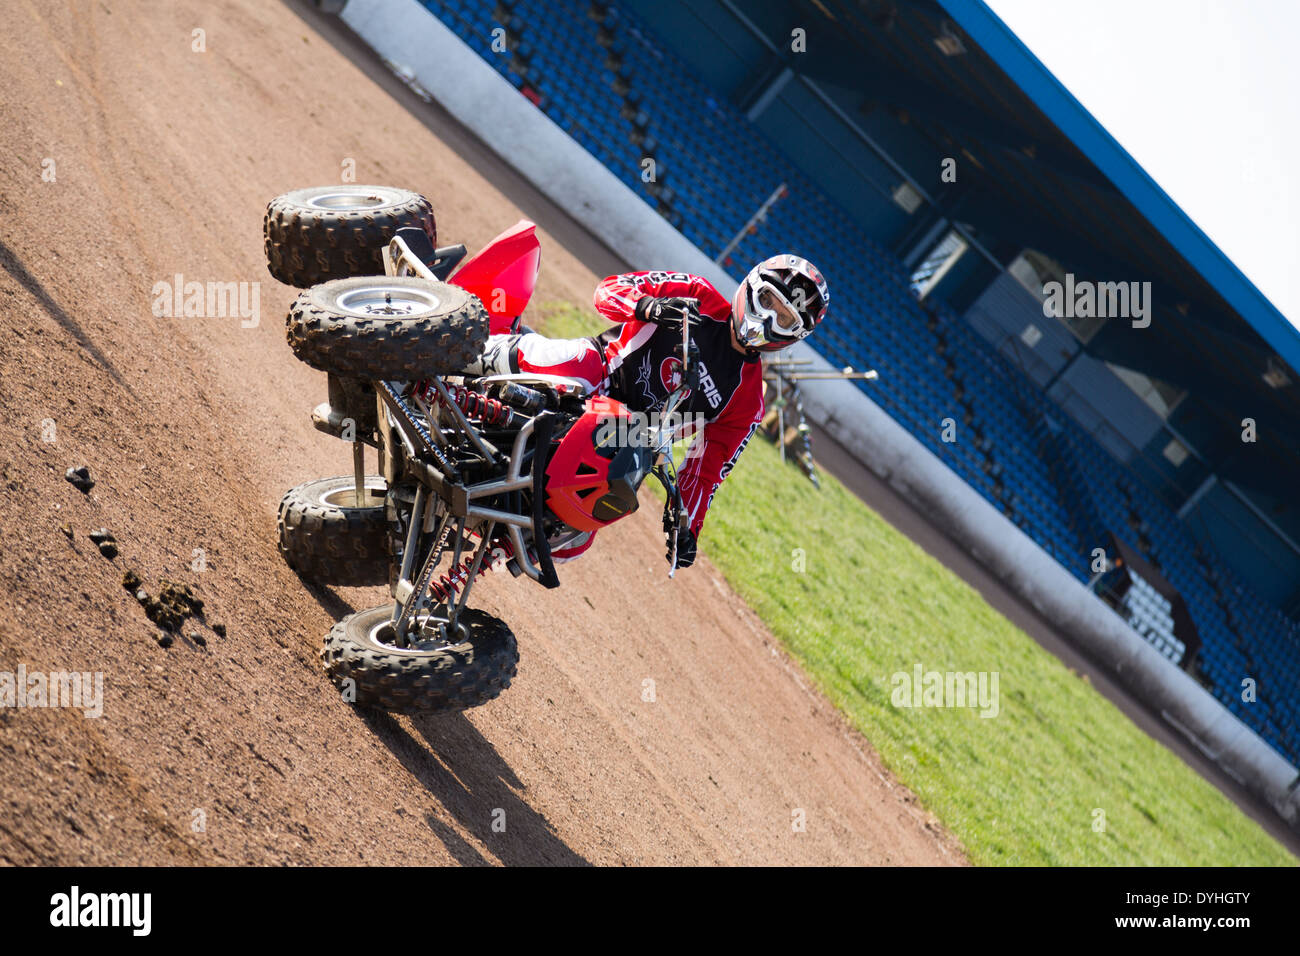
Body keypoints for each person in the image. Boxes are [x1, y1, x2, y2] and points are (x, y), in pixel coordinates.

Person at [464, 254, 829, 568]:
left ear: (794, 335)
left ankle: (495, 546)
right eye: (768, 300)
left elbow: (705, 471)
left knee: (575, 537)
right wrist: (646, 306)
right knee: (574, 361)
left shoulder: (749, 402)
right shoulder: (697, 293)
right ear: (752, 286)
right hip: (602, 374)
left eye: (783, 319)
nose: (767, 319)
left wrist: (688, 528)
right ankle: (467, 346)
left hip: (627, 437)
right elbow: (607, 290)